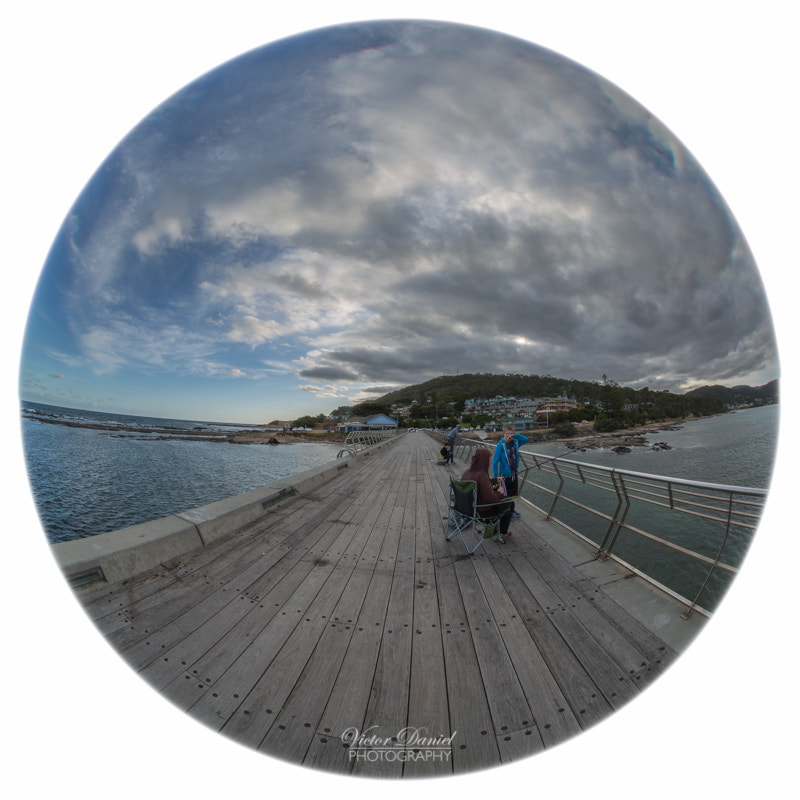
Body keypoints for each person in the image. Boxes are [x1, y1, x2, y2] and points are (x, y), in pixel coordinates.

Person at [461, 448, 515, 542]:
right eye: (489, 460)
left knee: (501, 498)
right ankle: (501, 533)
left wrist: (494, 481)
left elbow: (479, 484)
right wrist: (499, 492)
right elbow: (490, 500)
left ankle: (497, 530)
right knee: (510, 502)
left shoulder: (467, 472)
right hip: (481, 512)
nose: (490, 463)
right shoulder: (482, 475)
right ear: (484, 461)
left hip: (467, 509)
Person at [492, 423, 528, 513]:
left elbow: (525, 439)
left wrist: (515, 435)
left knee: (513, 493)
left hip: (514, 472)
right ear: (503, 433)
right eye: (507, 433)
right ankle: (504, 511)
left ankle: (511, 510)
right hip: (504, 474)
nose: (509, 436)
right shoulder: (500, 445)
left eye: (511, 433)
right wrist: (496, 477)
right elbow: (495, 462)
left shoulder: (515, 442)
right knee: (505, 494)